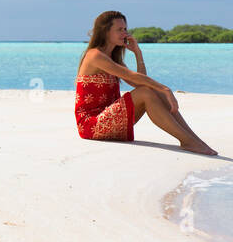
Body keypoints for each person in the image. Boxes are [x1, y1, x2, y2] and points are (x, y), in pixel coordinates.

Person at [75, 10, 217, 155]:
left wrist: (138, 53)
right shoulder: (95, 55)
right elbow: (134, 78)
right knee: (148, 92)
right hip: (90, 125)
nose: (125, 33)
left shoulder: (112, 59)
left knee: (150, 90)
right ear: (105, 32)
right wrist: (165, 89)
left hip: (108, 119)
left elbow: (140, 83)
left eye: (125, 29)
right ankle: (188, 141)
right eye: (119, 29)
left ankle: (193, 139)